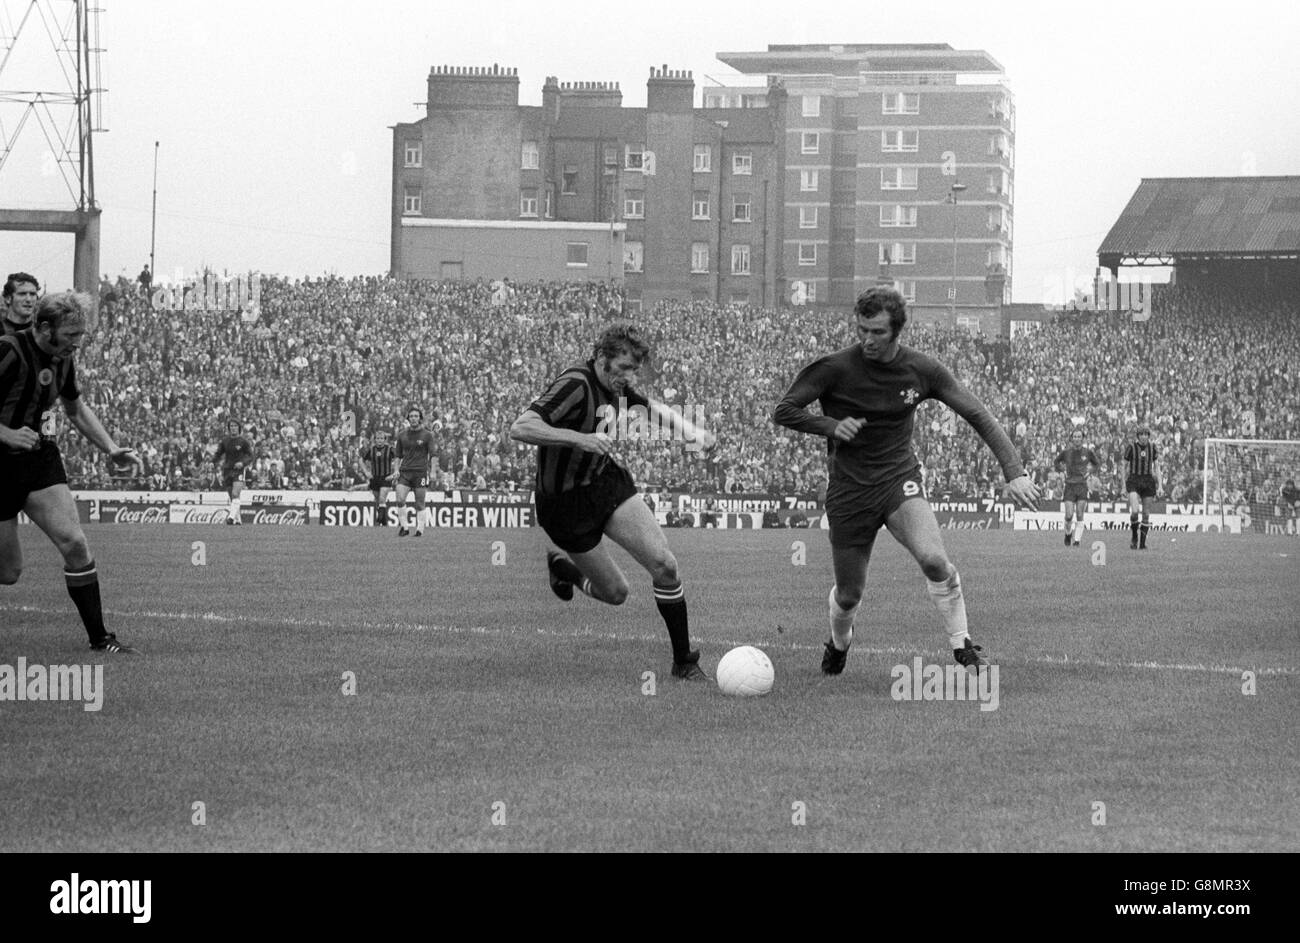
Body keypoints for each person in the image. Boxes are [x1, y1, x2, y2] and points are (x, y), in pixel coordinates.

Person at [773, 286, 1039, 676]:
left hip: (899, 480)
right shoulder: (834, 368)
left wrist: (1014, 472)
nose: (867, 339)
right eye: (862, 329)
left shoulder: (922, 370)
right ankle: (840, 642)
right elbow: (785, 410)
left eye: (877, 332)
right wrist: (830, 425)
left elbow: (977, 413)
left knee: (934, 560)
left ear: (898, 331)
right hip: (849, 491)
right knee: (848, 596)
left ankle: (962, 646)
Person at [510, 323, 716, 681]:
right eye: (623, 369)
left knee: (664, 565)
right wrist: (579, 439)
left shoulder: (617, 388)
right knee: (616, 593)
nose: (628, 377)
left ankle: (684, 660)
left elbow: (649, 407)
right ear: (602, 359)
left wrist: (691, 432)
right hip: (564, 507)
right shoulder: (576, 384)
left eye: (633, 370)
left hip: (606, 484)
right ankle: (565, 571)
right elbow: (522, 427)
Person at [0, 291, 142, 653]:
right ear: (45, 328)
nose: (77, 344)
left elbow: (75, 410)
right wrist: (6, 433)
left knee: (75, 543)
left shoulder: (63, 360)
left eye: (81, 335)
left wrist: (110, 448)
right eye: (71, 336)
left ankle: (100, 639)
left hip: (38, 459)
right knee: (8, 572)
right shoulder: (9, 350)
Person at [1054, 428, 1101, 547]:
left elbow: (1097, 464)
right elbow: (1056, 462)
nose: (1077, 439)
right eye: (1075, 436)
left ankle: (1077, 541)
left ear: (1083, 438)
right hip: (1069, 486)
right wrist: (1062, 470)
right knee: (1069, 515)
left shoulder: (1088, 452)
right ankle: (1068, 534)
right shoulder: (1066, 452)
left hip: (1082, 486)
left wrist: (1090, 471)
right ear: (1071, 438)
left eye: (1079, 436)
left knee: (1080, 514)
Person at [393, 406, 435, 537]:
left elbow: (433, 455)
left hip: (420, 472)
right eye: (411, 416)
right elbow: (397, 455)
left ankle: (419, 530)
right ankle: (404, 528)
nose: (414, 418)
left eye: (416, 416)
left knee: (420, 503)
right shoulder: (402, 435)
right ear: (408, 419)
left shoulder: (427, 435)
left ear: (420, 418)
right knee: (400, 499)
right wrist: (396, 470)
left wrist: (432, 471)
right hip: (405, 472)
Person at [1123, 426, 1160, 550]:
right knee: (1134, 511)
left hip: (1148, 480)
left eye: (1146, 434)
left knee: (1146, 514)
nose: (1144, 436)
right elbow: (1123, 467)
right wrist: (1123, 486)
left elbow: (1157, 467)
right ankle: (1134, 536)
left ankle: (1142, 545)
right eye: (1142, 434)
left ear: (1148, 436)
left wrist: (1160, 486)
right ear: (1138, 436)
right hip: (1134, 479)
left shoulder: (1152, 447)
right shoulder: (1131, 447)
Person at [213, 418, 254, 525]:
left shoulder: (243, 441)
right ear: (229, 428)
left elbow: (250, 456)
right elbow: (218, 454)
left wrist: (242, 463)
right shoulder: (225, 441)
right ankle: (238, 519)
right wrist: (212, 461)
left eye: (235, 426)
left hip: (239, 470)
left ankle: (230, 518)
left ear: (239, 428)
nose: (233, 428)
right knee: (232, 497)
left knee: (236, 493)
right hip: (227, 471)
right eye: (231, 426)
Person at [359, 428, 395, 526]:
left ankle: (378, 520)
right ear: (375, 440)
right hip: (374, 478)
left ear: (385, 439)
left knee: (382, 498)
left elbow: (399, 459)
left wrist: (395, 473)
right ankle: (384, 521)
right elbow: (361, 460)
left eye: (381, 438)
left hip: (386, 477)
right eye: (378, 438)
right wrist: (366, 472)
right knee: (378, 500)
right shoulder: (371, 450)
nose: (379, 440)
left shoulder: (390, 449)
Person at [2, 272, 40, 337]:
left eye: (32, 294)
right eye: (22, 294)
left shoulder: (42, 333)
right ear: (8, 299)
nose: (28, 299)